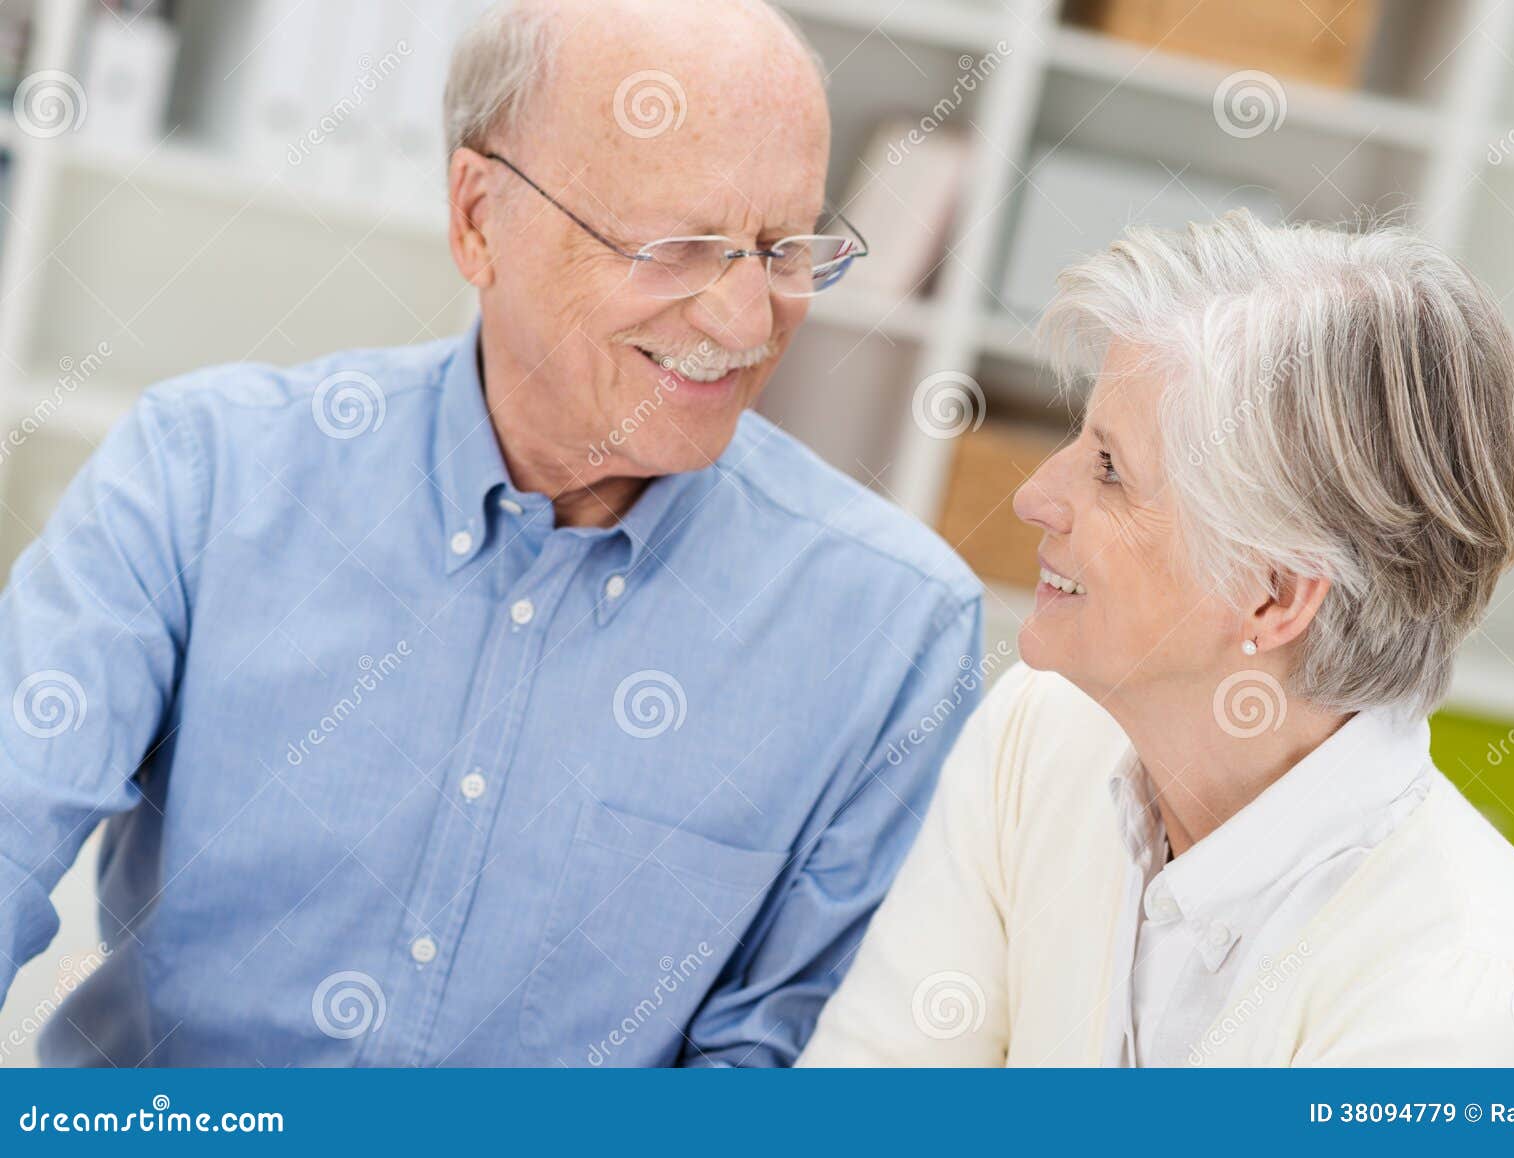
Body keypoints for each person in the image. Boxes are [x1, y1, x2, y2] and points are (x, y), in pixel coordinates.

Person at [0, 0, 982, 1066]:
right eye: (676, 246)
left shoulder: (893, 628)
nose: (745, 326)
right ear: (478, 217)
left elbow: (779, 1068)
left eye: (783, 249)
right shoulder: (202, 476)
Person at [799, 212, 1514, 1066]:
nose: (1036, 494)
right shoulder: (1041, 733)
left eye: (1111, 469)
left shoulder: (1469, 1007)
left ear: (1274, 596)